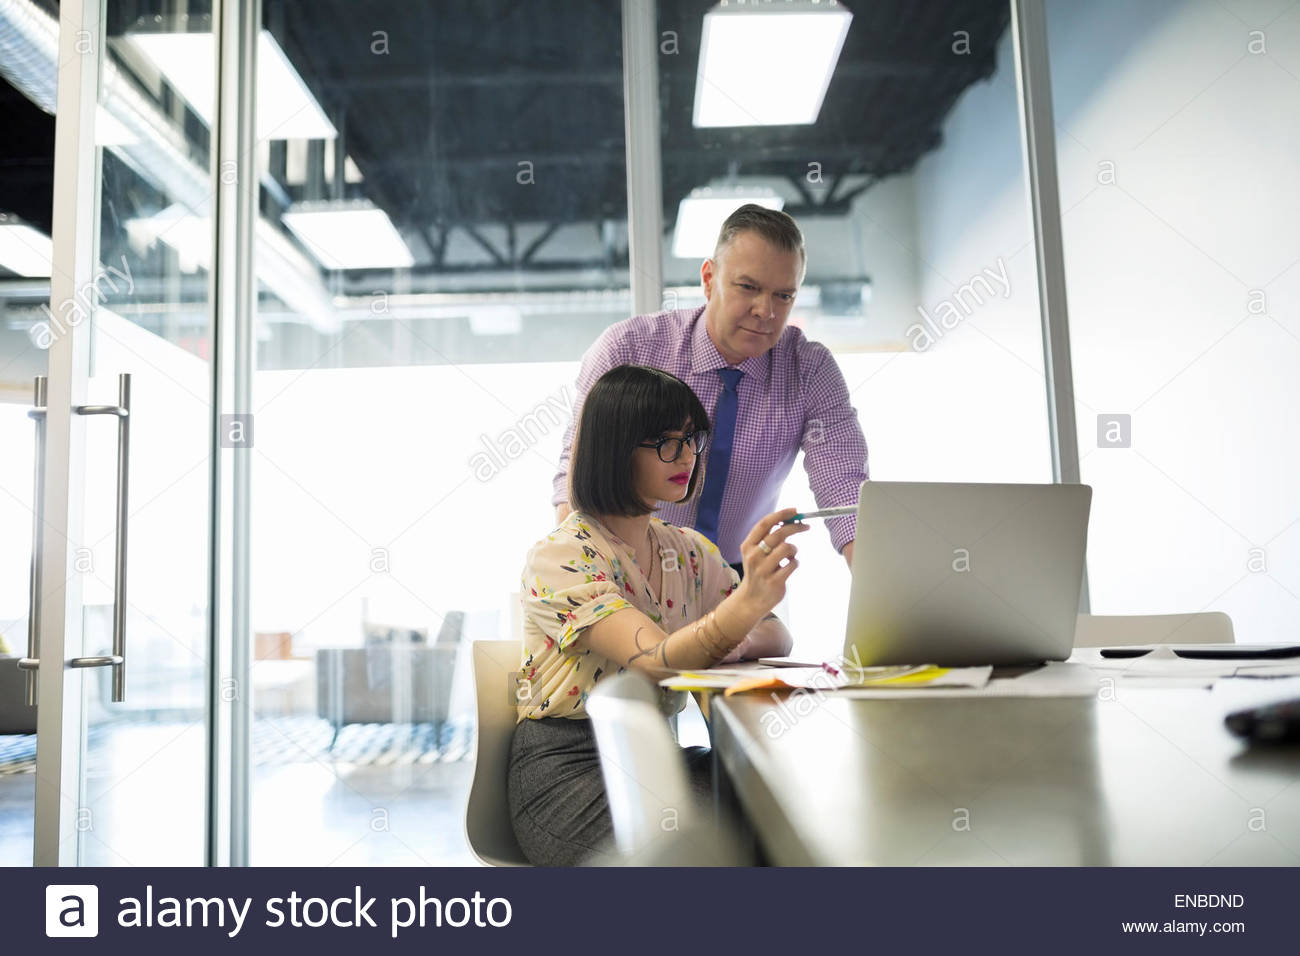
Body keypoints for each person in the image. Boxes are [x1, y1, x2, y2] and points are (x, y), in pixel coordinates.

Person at [509, 364, 808, 866]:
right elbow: (652, 659)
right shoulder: (561, 556)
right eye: (667, 442)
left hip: (652, 755)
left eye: (692, 440)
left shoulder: (688, 550)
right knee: (730, 844)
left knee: (785, 806)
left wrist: (739, 628)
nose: (687, 457)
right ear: (615, 448)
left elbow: (777, 635)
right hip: (569, 771)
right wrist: (742, 608)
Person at [552, 204, 868, 574]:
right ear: (708, 278)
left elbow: (844, 487)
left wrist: (882, 597)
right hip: (631, 565)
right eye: (748, 287)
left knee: (772, 637)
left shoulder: (809, 369)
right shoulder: (629, 349)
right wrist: (582, 581)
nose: (765, 311)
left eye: (783, 296)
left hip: (734, 570)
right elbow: (578, 477)